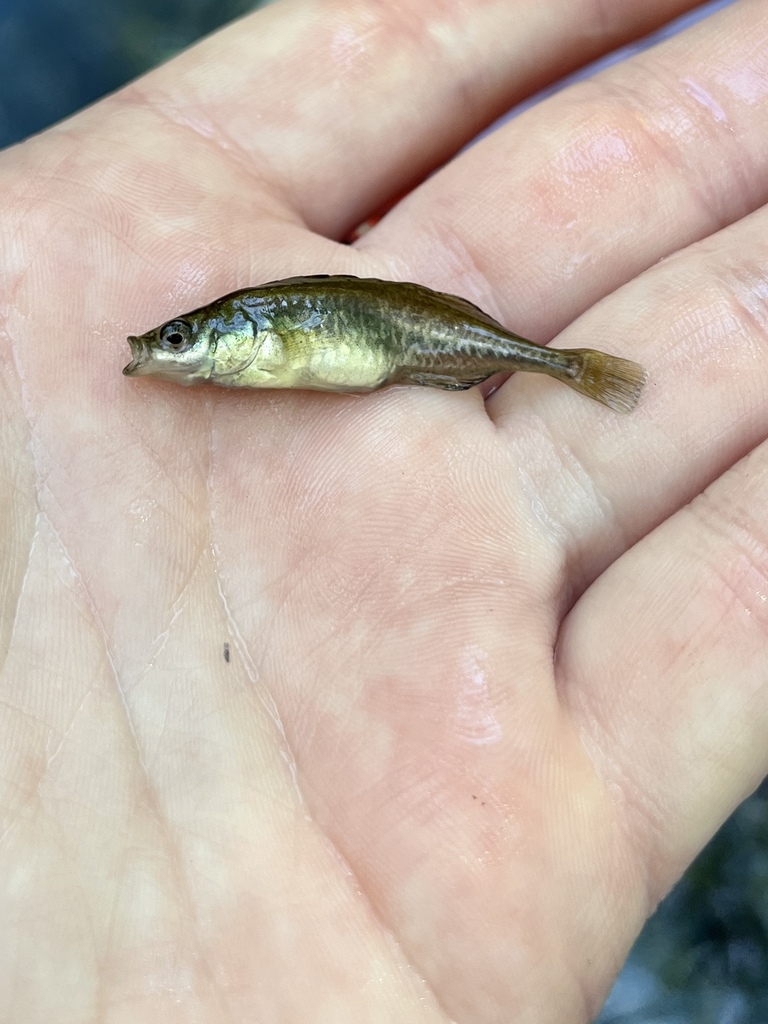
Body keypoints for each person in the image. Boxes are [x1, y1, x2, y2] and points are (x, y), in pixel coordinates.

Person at [0, 0, 762, 1019]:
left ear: (232, 337)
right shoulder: (248, 341)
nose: (171, 355)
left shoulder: (263, 335)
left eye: (186, 343)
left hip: (430, 348)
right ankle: (558, 367)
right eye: (181, 343)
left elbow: (311, 354)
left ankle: (566, 369)